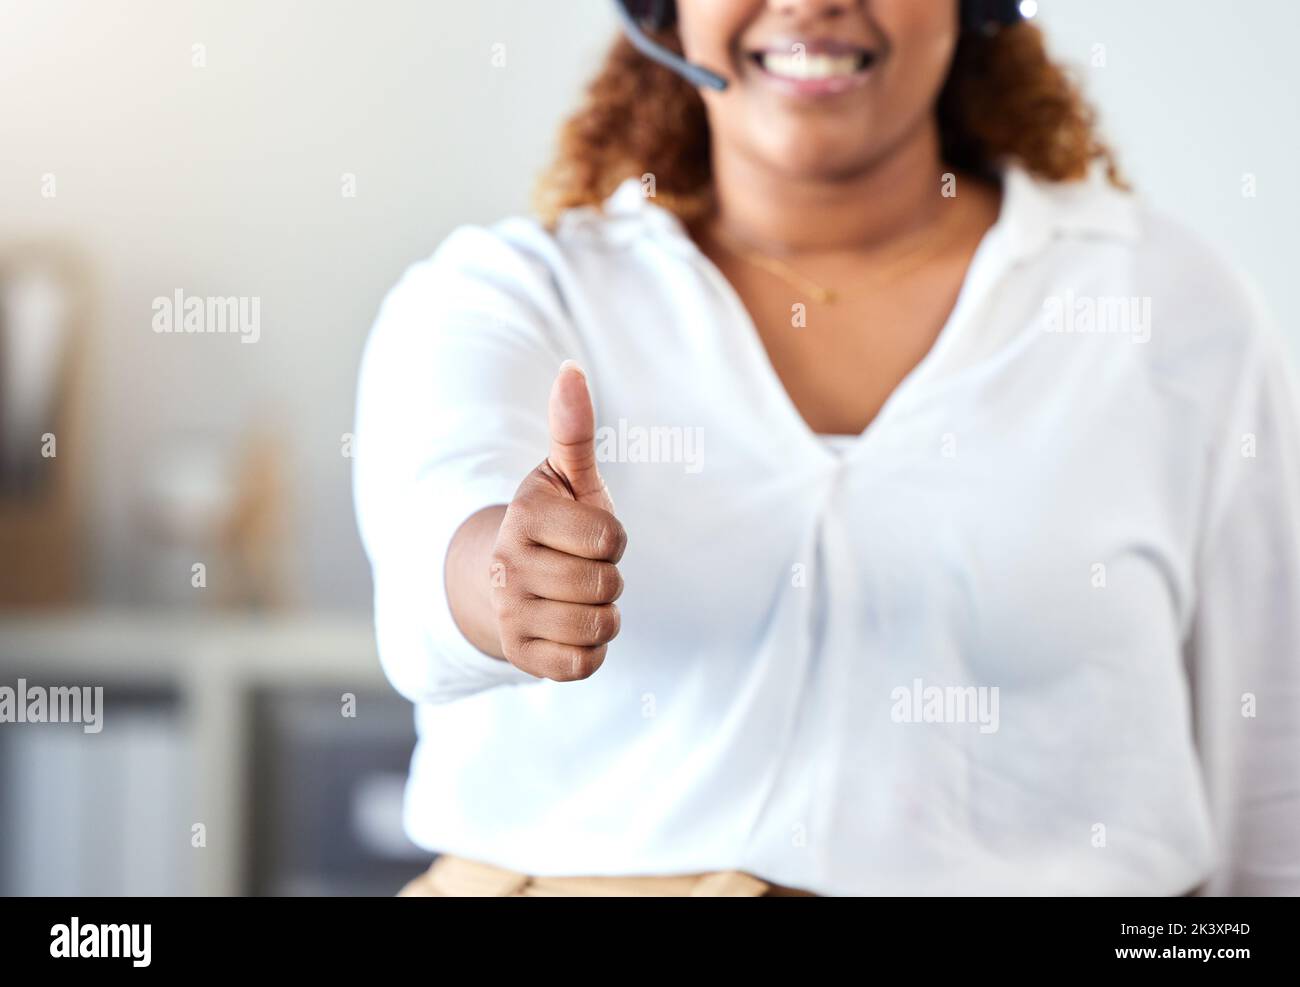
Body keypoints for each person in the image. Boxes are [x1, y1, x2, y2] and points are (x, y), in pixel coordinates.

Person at [353, 0, 1300, 896]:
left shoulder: (1167, 307)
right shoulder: (510, 292)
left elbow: (1272, 775)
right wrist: (510, 578)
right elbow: (430, 549)